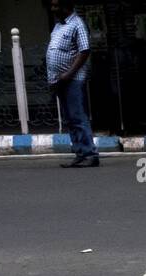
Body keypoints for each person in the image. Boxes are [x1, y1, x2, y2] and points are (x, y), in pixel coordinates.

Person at [47, 0, 99, 168]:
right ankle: (80, 153)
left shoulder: (77, 24)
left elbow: (84, 50)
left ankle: (90, 154)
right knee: (69, 119)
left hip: (73, 79)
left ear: (66, 6)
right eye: (52, 5)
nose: (53, 9)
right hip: (60, 80)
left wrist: (68, 74)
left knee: (78, 117)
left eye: (56, 5)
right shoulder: (58, 26)